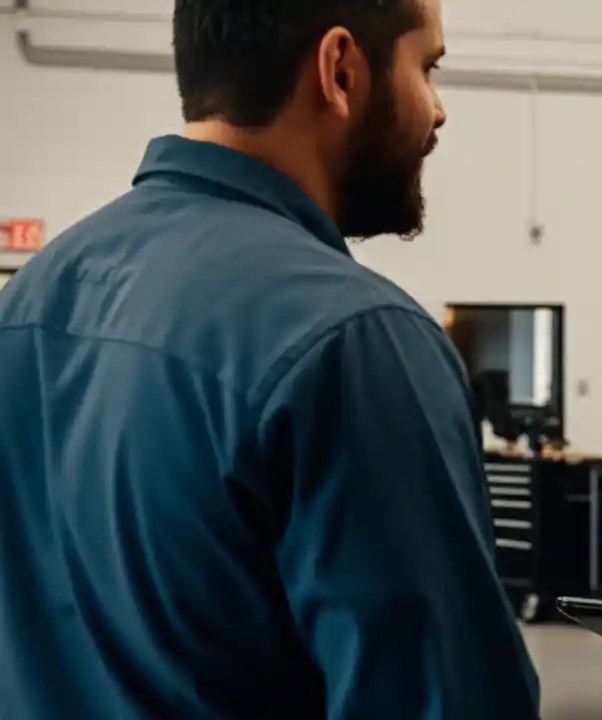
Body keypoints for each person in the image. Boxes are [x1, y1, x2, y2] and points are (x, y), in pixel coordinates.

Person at [0, 1, 541, 718]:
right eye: (427, 68)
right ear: (340, 69)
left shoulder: (27, 304)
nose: (437, 110)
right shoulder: (355, 340)